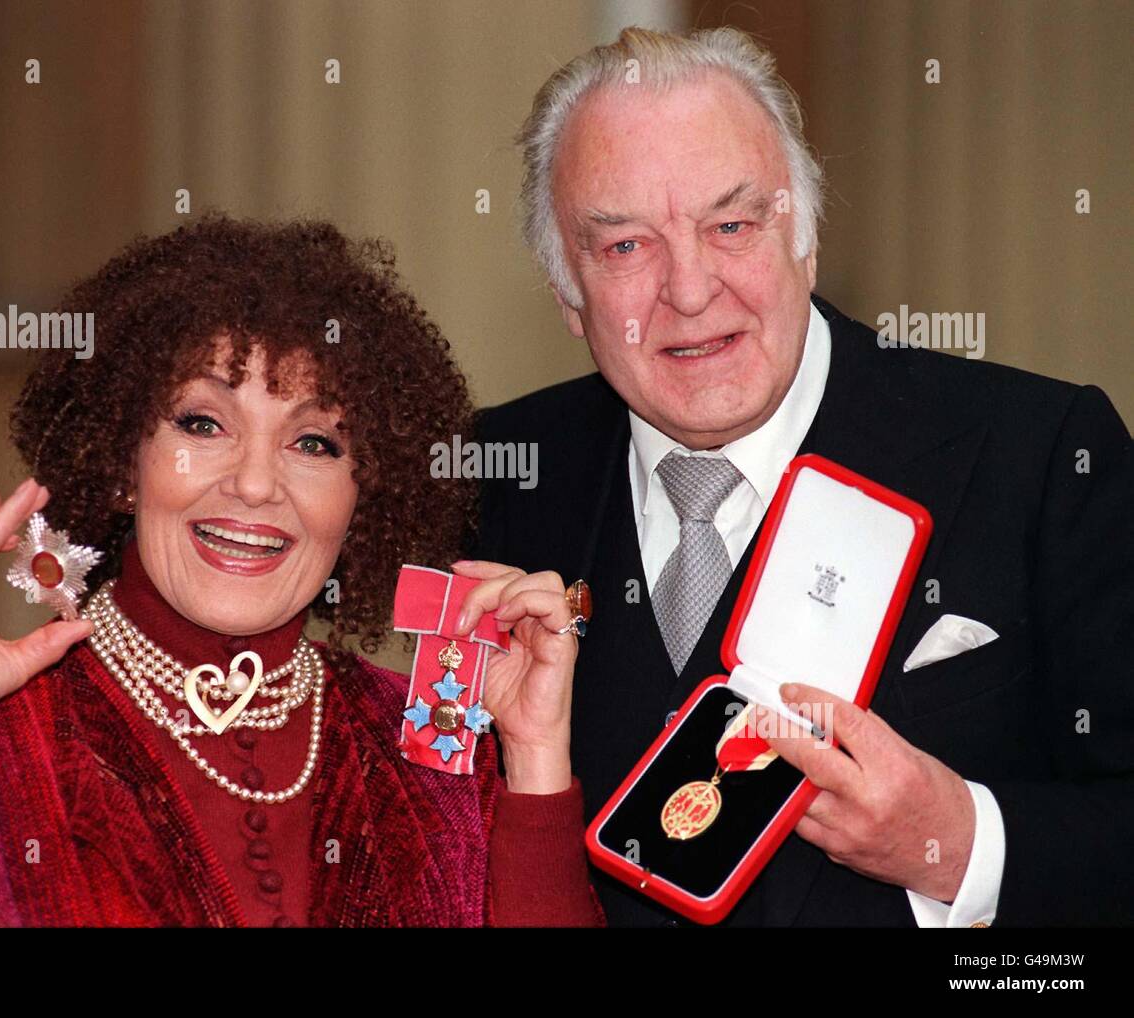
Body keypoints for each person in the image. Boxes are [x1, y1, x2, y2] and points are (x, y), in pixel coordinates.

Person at [473, 26, 1134, 926]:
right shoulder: (490, 484)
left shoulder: (1043, 454)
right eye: (625, 246)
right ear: (566, 294)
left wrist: (965, 843)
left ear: (807, 239)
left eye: (733, 224)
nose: (691, 288)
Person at [0, 214, 603, 927]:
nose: (257, 484)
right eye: (202, 423)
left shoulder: (428, 750)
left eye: (314, 444)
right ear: (120, 462)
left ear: (364, 497)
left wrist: (534, 761)